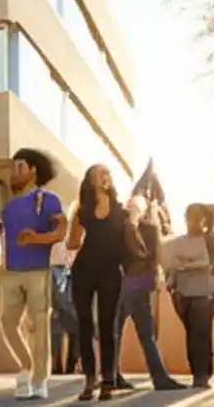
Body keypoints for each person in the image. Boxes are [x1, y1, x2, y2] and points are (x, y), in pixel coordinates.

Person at [0, 148, 68, 401]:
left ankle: (39, 380)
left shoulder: (48, 199)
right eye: (12, 167)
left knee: (40, 327)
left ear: (33, 170)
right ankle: (26, 365)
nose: (14, 172)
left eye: (20, 166)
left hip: (38, 271)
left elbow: (61, 230)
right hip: (11, 272)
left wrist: (37, 238)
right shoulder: (9, 207)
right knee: (7, 322)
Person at [66, 164, 126, 402]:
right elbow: (72, 243)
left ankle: (108, 381)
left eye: (107, 173)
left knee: (107, 326)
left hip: (111, 272)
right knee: (85, 326)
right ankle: (90, 379)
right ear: (90, 181)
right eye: (99, 174)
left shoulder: (121, 210)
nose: (104, 176)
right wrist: (70, 221)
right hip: (84, 271)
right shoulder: (82, 210)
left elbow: (128, 239)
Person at [115, 195, 186, 391]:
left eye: (136, 207)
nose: (132, 209)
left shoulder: (148, 230)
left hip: (139, 286)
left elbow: (147, 255)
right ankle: (113, 376)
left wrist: (155, 281)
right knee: (116, 332)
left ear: (143, 211)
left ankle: (160, 378)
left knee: (146, 335)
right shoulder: (119, 227)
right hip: (120, 286)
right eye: (130, 206)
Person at [163, 203, 214, 390]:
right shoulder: (179, 242)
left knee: (201, 332)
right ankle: (199, 371)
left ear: (204, 220)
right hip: (183, 293)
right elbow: (173, 264)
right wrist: (173, 281)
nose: (191, 222)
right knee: (192, 334)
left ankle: (201, 376)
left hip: (206, 292)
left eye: (195, 218)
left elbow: (213, 262)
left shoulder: (211, 240)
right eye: (188, 218)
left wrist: (189, 264)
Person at [49, 223, 80, 376]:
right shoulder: (60, 238)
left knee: (61, 324)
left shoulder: (57, 237)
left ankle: (63, 365)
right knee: (61, 324)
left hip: (65, 276)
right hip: (60, 275)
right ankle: (62, 365)